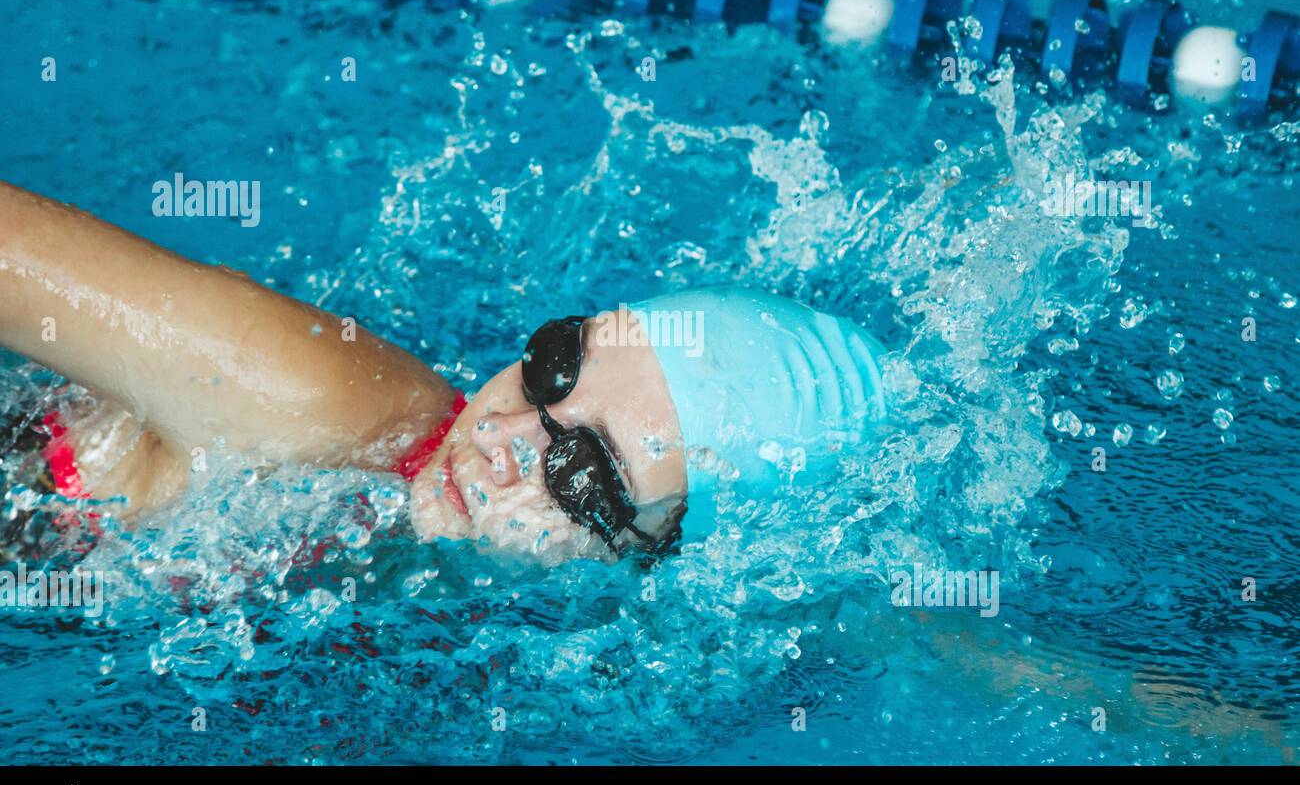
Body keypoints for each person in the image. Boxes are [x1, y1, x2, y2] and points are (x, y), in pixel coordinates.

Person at [0, 180, 888, 562]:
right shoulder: (315, 397)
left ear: (666, 557)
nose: (500, 437)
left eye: (579, 473)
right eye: (551, 370)